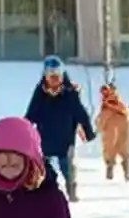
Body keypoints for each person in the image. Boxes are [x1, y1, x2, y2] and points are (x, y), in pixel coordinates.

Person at [25, 55, 96, 202]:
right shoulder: (40, 94)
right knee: (43, 169)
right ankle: (44, 192)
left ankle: (71, 190)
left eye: (57, 76)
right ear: (45, 77)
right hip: (45, 138)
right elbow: (31, 114)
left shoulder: (70, 94)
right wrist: (23, 131)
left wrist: (88, 132)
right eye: (51, 77)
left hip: (65, 139)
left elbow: (81, 114)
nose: (54, 80)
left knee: (68, 168)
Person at [96, 83, 129, 181]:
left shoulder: (107, 105)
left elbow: (102, 119)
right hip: (123, 131)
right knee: (124, 152)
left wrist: (98, 128)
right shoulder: (121, 104)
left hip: (111, 132)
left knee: (110, 152)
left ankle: (110, 171)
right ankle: (127, 172)